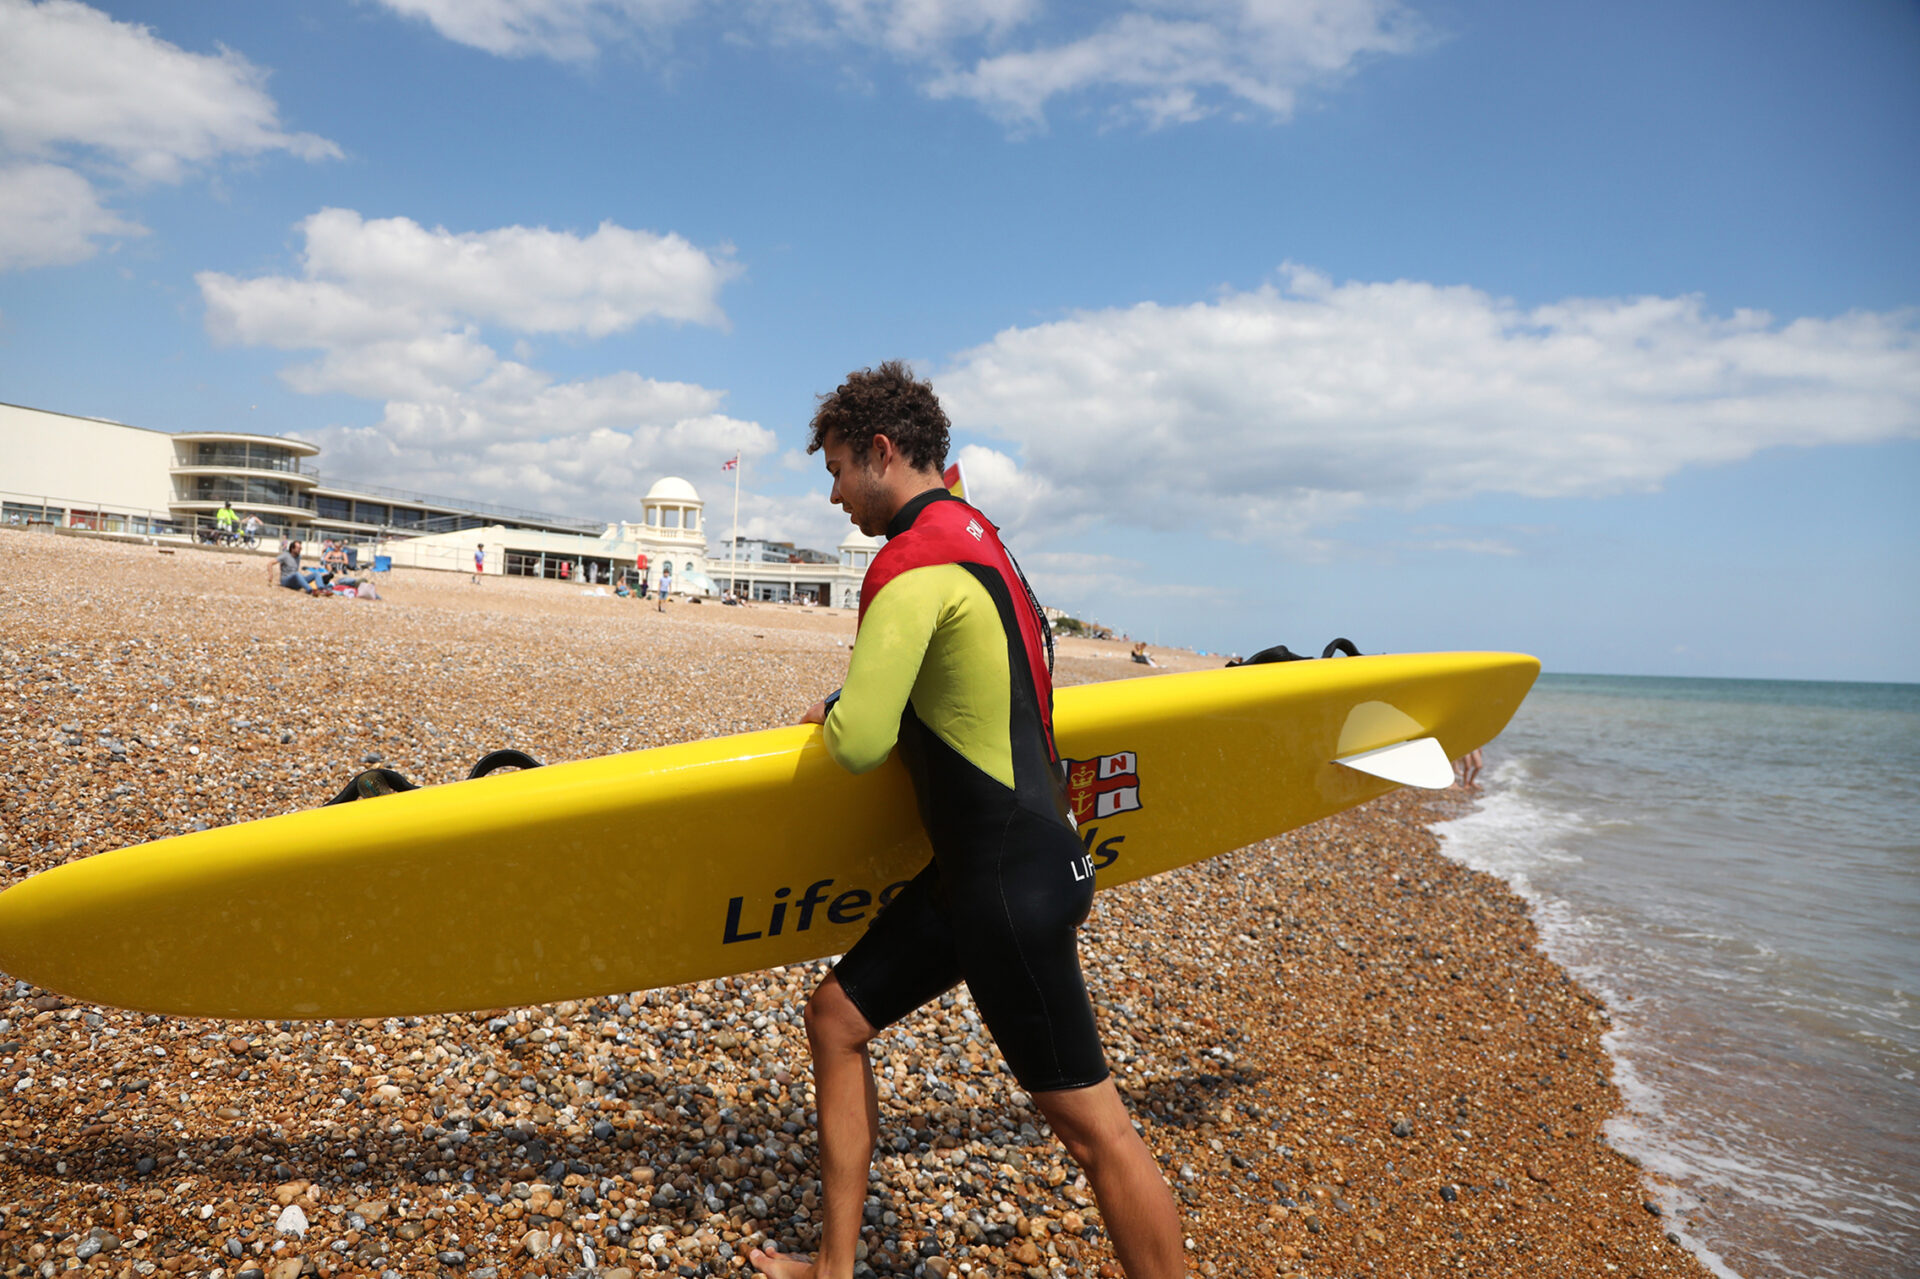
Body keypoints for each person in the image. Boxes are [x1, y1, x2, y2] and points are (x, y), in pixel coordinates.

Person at [748, 362, 1183, 1279]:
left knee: (1094, 1129)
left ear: (881, 451)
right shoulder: (982, 539)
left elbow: (861, 741)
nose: (832, 495)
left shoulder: (911, 562)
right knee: (836, 1016)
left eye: (835, 470)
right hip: (1003, 863)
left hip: (1001, 887)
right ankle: (832, 1267)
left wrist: (834, 713)